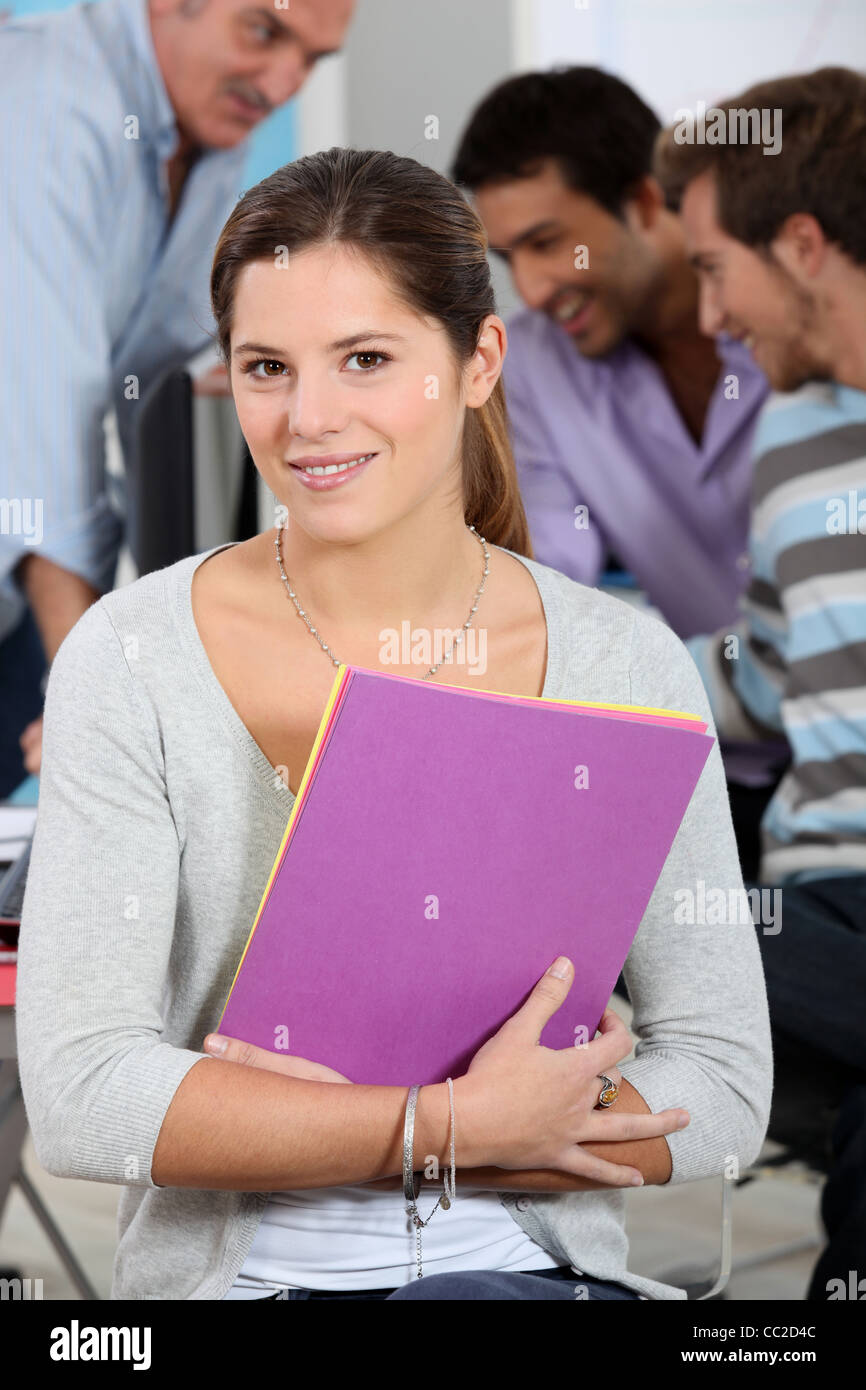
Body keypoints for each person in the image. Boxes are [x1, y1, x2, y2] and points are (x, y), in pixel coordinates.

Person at [15, 148, 771, 1302]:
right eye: (265, 366)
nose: (308, 420)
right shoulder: (130, 654)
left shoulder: (620, 662)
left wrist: (522, 1122)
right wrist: (445, 1122)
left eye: (365, 358)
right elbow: (81, 1096)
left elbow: (721, 1082)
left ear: (478, 361)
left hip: (527, 1275)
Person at [0, 0, 355, 795]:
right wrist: (101, 694)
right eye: (264, 32)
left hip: (21, 603)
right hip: (37, 573)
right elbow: (39, 429)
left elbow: (154, 385)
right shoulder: (41, 101)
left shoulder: (206, 132)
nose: (283, 82)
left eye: (312, 59)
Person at [451, 66, 788, 880]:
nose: (532, 288)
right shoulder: (535, 369)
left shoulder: (800, 315)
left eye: (545, 242)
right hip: (702, 772)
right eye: (508, 256)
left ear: (643, 200)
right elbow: (550, 603)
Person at [655, 66, 866, 1300]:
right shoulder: (789, 434)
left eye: (709, 266)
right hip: (820, 901)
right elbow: (762, 671)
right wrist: (551, 676)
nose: (708, 312)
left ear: (799, 244)